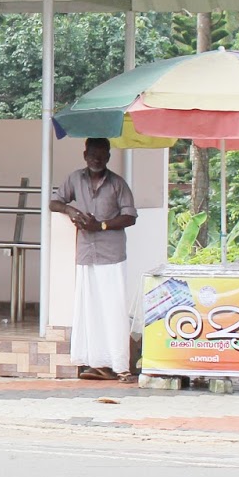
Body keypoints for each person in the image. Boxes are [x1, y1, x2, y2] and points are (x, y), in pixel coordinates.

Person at [49, 137, 138, 382]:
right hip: (86, 253)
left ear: (108, 157)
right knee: (89, 309)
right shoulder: (75, 179)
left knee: (113, 310)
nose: (96, 160)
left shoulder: (118, 184)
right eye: (92, 155)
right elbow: (54, 202)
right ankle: (93, 362)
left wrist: (103, 225)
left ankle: (118, 365)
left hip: (111, 254)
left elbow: (130, 216)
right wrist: (70, 210)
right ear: (85, 154)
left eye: (101, 155)